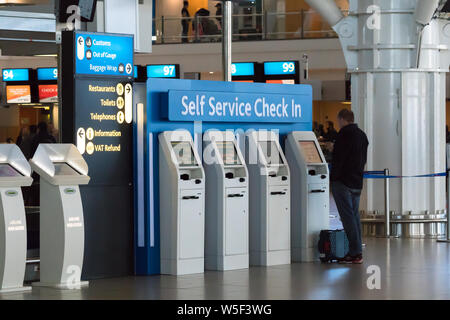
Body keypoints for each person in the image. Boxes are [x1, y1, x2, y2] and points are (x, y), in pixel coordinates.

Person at [331, 109, 368, 264]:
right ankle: (357, 251)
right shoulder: (362, 135)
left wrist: (333, 178)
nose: (338, 124)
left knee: (348, 219)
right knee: (354, 217)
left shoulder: (343, 135)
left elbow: (339, 160)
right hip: (357, 182)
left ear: (342, 119)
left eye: (338, 121)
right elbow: (363, 159)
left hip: (343, 183)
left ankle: (355, 252)